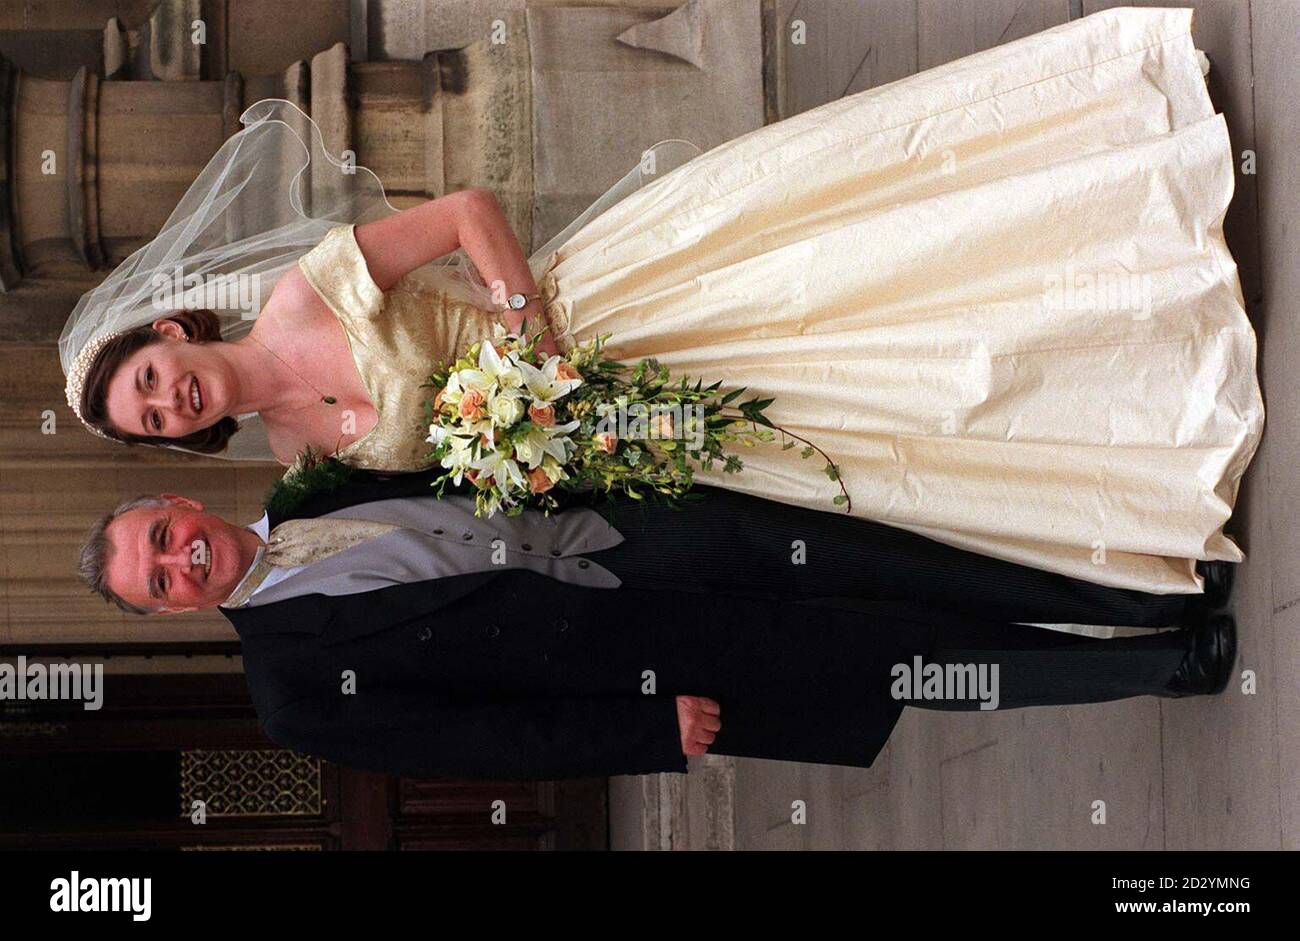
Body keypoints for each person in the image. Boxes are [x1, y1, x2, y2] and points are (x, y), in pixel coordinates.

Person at [61, 8, 1263, 595]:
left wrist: (526, 342)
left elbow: (470, 212)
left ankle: (1119, 211)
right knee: (855, 420)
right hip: (608, 431)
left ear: (173, 333)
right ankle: (1132, 381)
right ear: (181, 440)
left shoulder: (304, 290)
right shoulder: (295, 464)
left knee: (854, 276)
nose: (167, 401)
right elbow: (451, 498)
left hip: (606, 309)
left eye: (151, 380)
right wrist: (533, 449)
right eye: (155, 420)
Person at [78, 471, 1236, 779]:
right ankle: (1168, 664)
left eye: (162, 536)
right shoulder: (289, 695)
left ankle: (1150, 596)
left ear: (180, 504)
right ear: (166, 607)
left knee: (912, 566)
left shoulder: (307, 490)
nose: (180, 560)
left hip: (646, 542)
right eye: (160, 581)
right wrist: (637, 735)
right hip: (647, 665)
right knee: (921, 666)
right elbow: (469, 743)